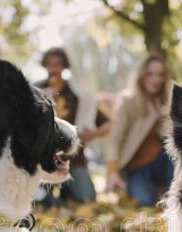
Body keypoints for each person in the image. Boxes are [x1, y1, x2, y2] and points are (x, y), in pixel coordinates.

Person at [34, 47, 109, 204]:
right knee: (40, 202)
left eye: (58, 64)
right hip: (39, 161)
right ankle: (52, 197)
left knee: (86, 199)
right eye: (50, 64)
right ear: (45, 65)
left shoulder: (79, 96)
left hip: (73, 161)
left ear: (64, 66)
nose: (54, 68)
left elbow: (108, 124)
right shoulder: (34, 91)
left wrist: (93, 134)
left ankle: (66, 191)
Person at [105, 53, 173, 206]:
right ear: (142, 76)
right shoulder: (128, 100)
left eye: (160, 75)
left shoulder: (167, 103)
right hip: (137, 166)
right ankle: (153, 191)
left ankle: (179, 194)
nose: (155, 80)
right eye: (150, 74)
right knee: (144, 201)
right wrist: (112, 170)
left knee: (174, 155)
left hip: (163, 161)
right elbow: (115, 139)